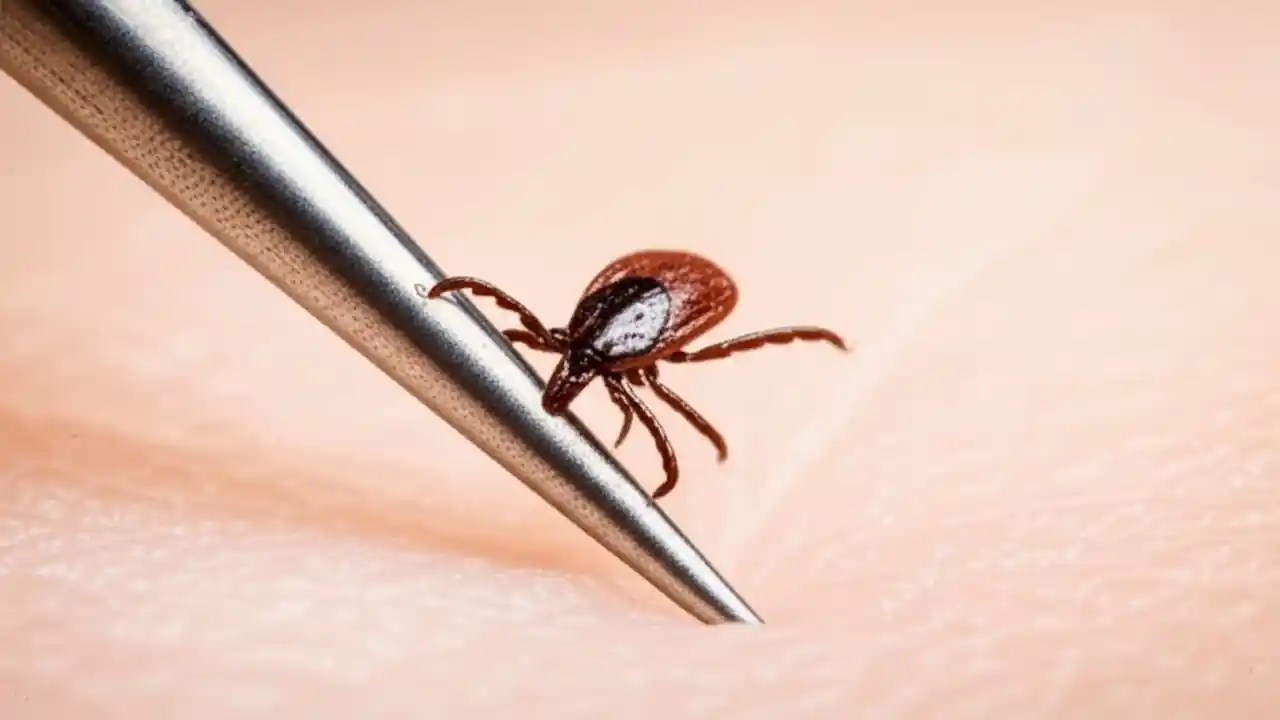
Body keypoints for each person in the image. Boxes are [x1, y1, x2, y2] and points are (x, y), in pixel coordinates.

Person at [1, 0, 1275, 716]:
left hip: (646, 296)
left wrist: (560, 348)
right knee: (632, 397)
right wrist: (616, 394)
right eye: (572, 362)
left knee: (620, 387)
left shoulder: (613, 338)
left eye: (578, 369)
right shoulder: (609, 350)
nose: (560, 377)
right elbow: (577, 348)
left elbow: (541, 322)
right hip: (637, 300)